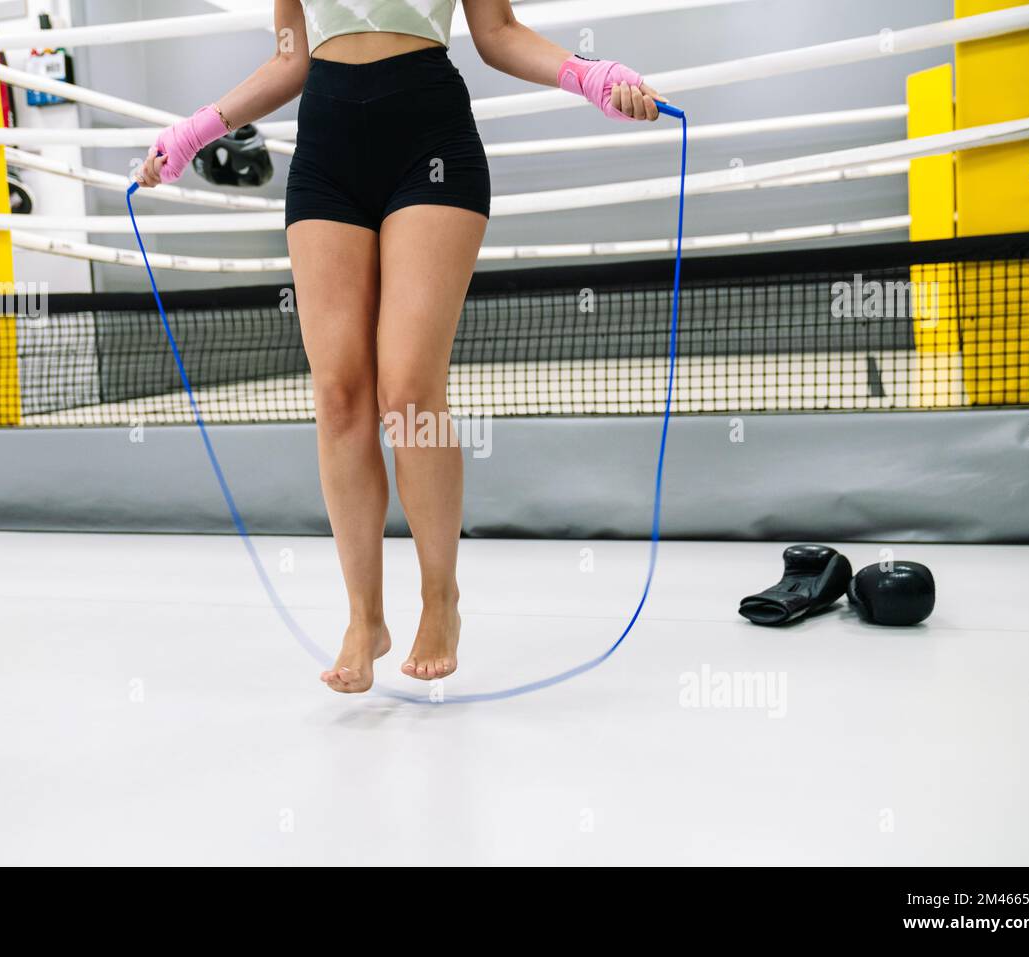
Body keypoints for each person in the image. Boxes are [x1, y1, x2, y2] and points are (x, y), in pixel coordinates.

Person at [136, 1, 665, 694]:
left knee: (409, 388)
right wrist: (195, 131)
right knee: (338, 392)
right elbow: (293, 54)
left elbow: (498, 33)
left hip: (429, 142)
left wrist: (589, 75)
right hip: (326, 148)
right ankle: (365, 618)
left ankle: (440, 598)